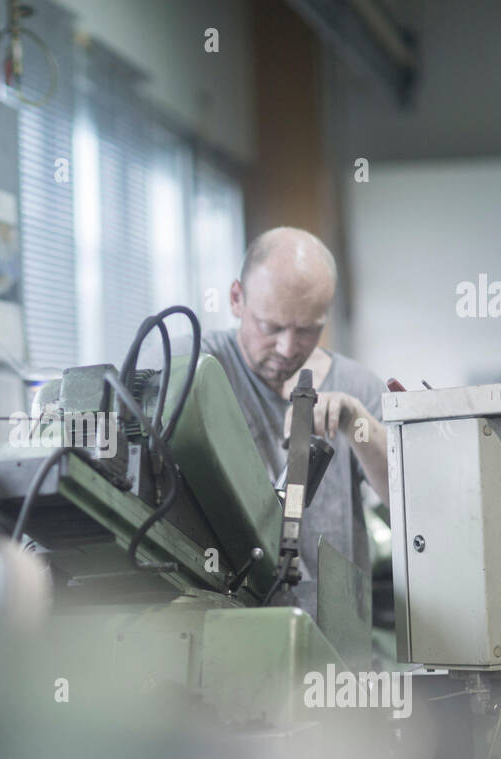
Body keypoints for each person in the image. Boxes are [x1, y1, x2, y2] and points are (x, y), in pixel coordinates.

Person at [151, 226, 388, 616]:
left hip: (338, 649)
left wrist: (355, 424)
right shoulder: (186, 373)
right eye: (272, 327)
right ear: (236, 299)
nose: (288, 348)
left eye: (307, 330)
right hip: (226, 636)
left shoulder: (357, 388)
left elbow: (412, 514)